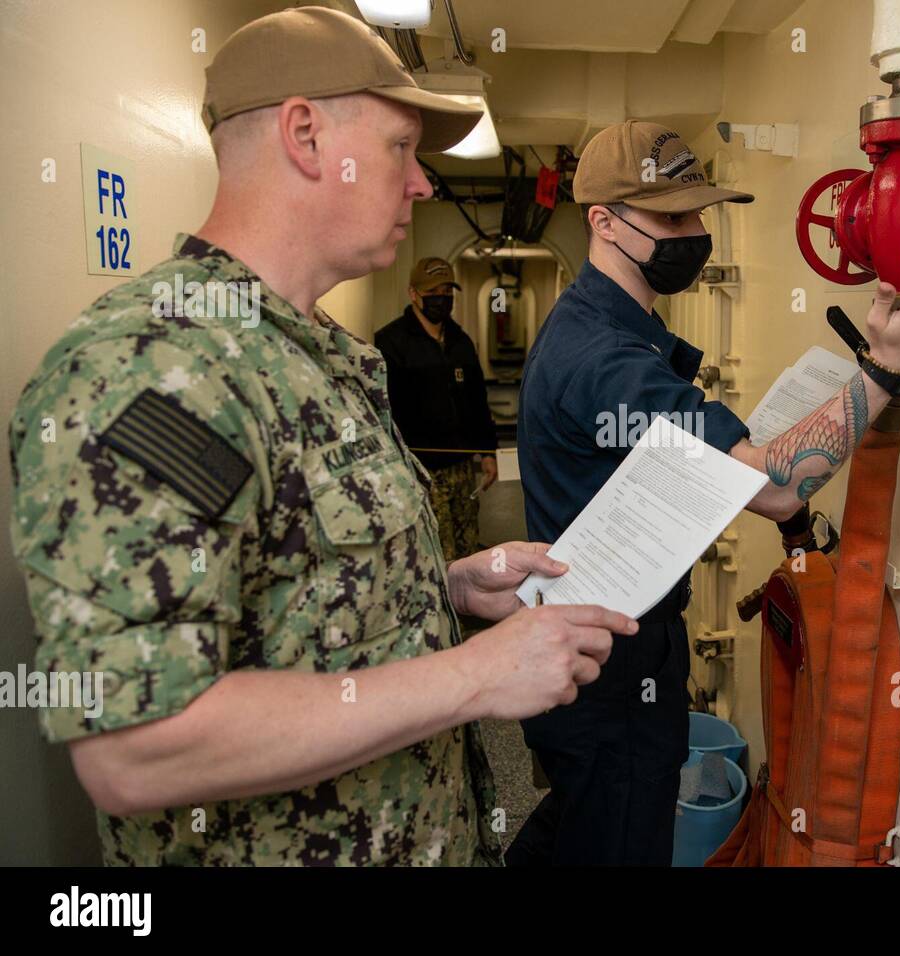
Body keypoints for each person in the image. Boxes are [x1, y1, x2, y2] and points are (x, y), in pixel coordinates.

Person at [7, 5, 637, 867]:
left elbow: (291, 594)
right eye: (400, 149)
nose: (420, 184)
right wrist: (478, 674)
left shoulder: (320, 352)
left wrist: (445, 591)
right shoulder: (152, 367)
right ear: (306, 137)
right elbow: (138, 743)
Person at [510, 119, 900, 865]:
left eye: (697, 212)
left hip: (591, 649)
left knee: (583, 820)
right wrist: (885, 367)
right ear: (603, 222)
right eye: (670, 218)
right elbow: (777, 490)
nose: (693, 231)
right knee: (618, 835)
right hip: (610, 668)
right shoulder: (604, 358)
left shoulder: (604, 324)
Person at [375, 256, 498, 562]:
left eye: (447, 291)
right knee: (436, 553)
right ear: (413, 294)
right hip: (420, 470)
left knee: (467, 547)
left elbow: (477, 400)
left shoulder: (460, 341)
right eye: (433, 291)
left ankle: (468, 610)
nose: (441, 299)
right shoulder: (391, 343)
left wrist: (488, 452)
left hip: (461, 466)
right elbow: (384, 412)